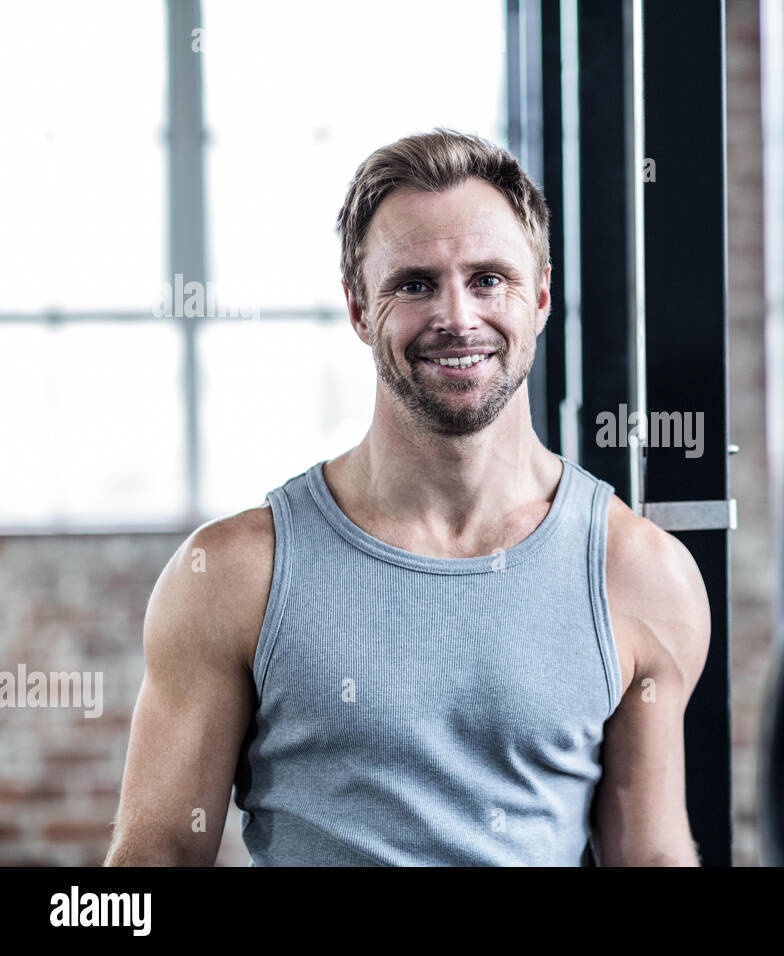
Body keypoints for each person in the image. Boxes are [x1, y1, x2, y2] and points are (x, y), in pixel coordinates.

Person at [104, 129, 711, 866]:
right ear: (360, 310)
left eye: (489, 279)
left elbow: (650, 857)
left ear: (541, 297)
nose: (458, 317)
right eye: (415, 284)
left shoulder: (640, 573)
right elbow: (155, 860)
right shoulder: (232, 576)